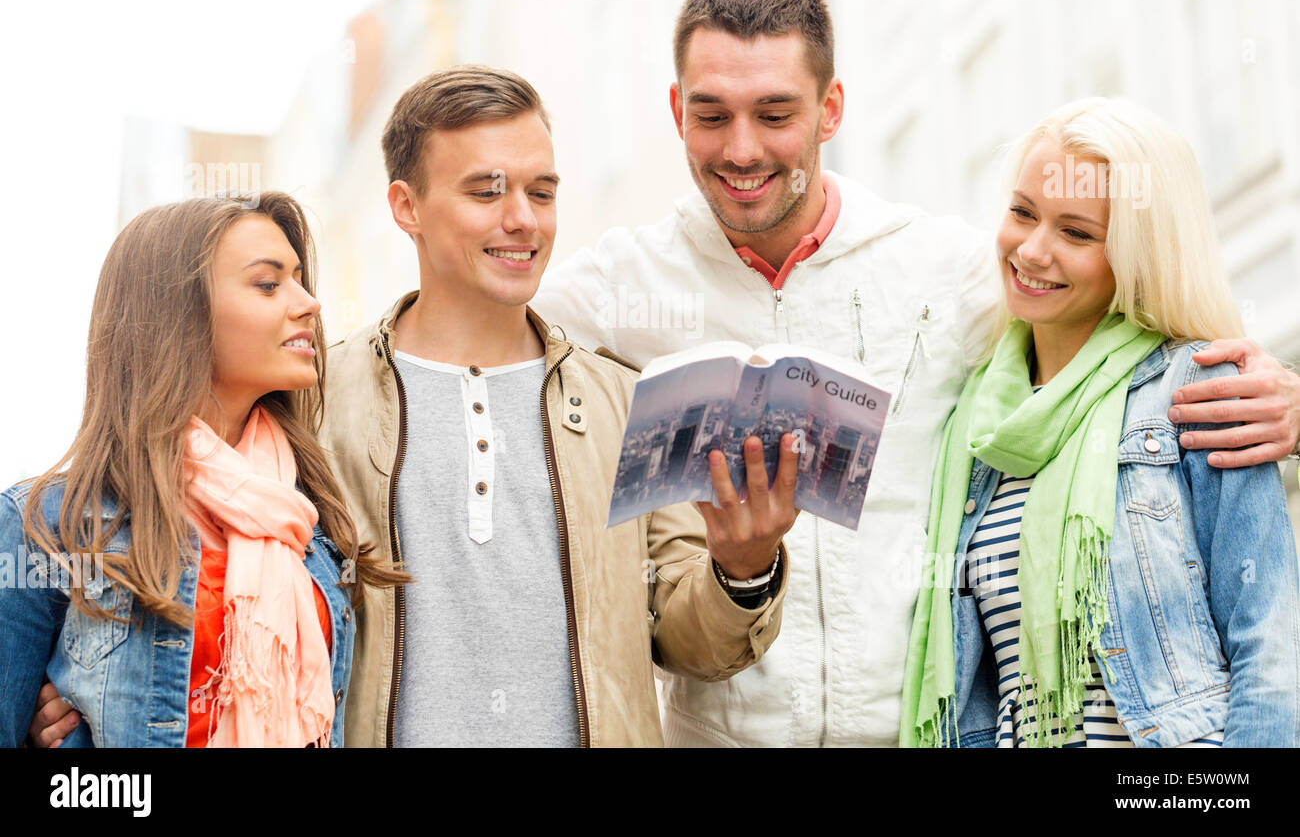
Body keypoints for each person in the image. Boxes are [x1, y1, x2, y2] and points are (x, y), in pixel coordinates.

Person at [530, 0, 1300, 746]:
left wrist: (1291, 400)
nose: (742, 148)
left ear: (830, 109)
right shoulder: (615, 290)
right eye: (712, 114)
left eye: (774, 113)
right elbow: (464, 343)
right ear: (676, 111)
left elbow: (1122, 325)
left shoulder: (949, 270)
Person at [320, 65, 798, 746]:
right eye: (486, 191)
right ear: (407, 207)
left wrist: (743, 570)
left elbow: (691, 644)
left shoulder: (629, 402)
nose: (522, 219)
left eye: (540, 192)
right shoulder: (317, 401)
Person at [900, 98, 1300, 747]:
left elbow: (1271, 647)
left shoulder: (1197, 389)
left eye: (1076, 233)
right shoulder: (974, 429)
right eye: (1022, 213)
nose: (1031, 251)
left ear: (1134, 256)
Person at [1, 193, 400, 748]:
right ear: (177, 313)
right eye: (268, 284)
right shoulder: (46, 524)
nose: (309, 303)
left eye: (301, 280)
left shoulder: (312, 524)